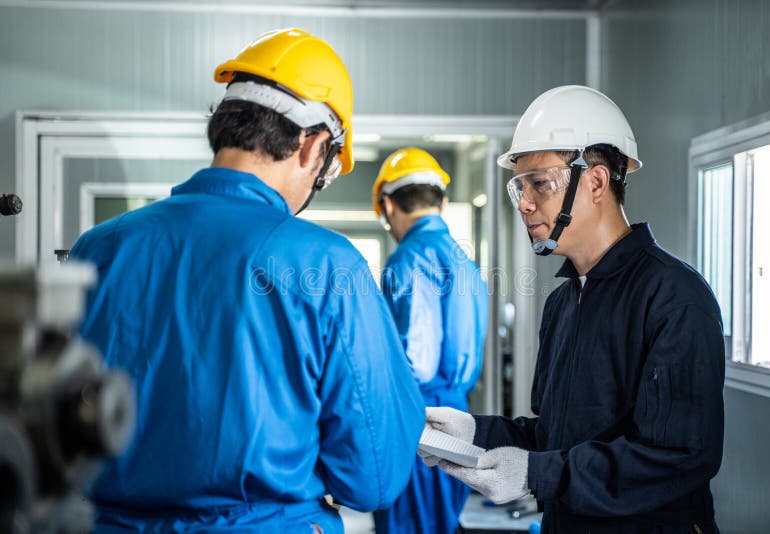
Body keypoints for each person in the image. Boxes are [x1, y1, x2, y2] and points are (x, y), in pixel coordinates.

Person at [69, 28, 425, 533]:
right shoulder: (327, 264)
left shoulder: (98, 248)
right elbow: (374, 476)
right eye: (322, 174)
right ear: (313, 146)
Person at [422, 85, 725, 533]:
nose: (525, 203)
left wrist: (534, 474)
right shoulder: (563, 302)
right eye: (519, 187)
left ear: (597, 181)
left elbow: (677, 456)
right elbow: (555, 438)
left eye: (540, 184)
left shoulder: (673, 296)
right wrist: (473, 433)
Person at [369, 148, 489, 534]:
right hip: (457, 419)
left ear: (387, 205)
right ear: (444, 201)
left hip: (416, 423)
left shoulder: (408, 259)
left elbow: (416, 363)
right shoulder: (464, 261)